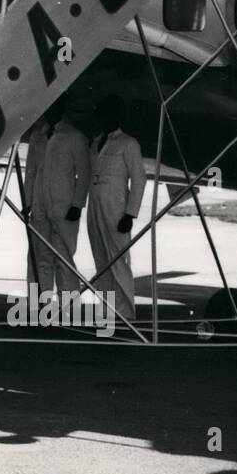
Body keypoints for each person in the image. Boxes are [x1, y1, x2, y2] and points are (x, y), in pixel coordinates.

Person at [87, 95, 147, 323]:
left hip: (116, 209)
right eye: (101, 114)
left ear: (118, 116)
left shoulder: (128, 144)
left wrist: (130, 214)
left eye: (108, 114)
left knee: (119, 260)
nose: (103, 119)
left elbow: (139, 179)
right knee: (101, 260)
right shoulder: (96, 143)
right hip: (95, 207)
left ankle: (126, 314)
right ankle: (107, 312)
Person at [24, 95, 89, 301]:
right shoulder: (37, 136)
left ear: (61, 109)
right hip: (39, 206)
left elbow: (84, 173)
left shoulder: (75, 137)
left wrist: (77, 204)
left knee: (64, 256)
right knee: (39, 255)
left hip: (64, 206)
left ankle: (68, 304)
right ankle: (39, 302)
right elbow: (31, 172)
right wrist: (27, 203)